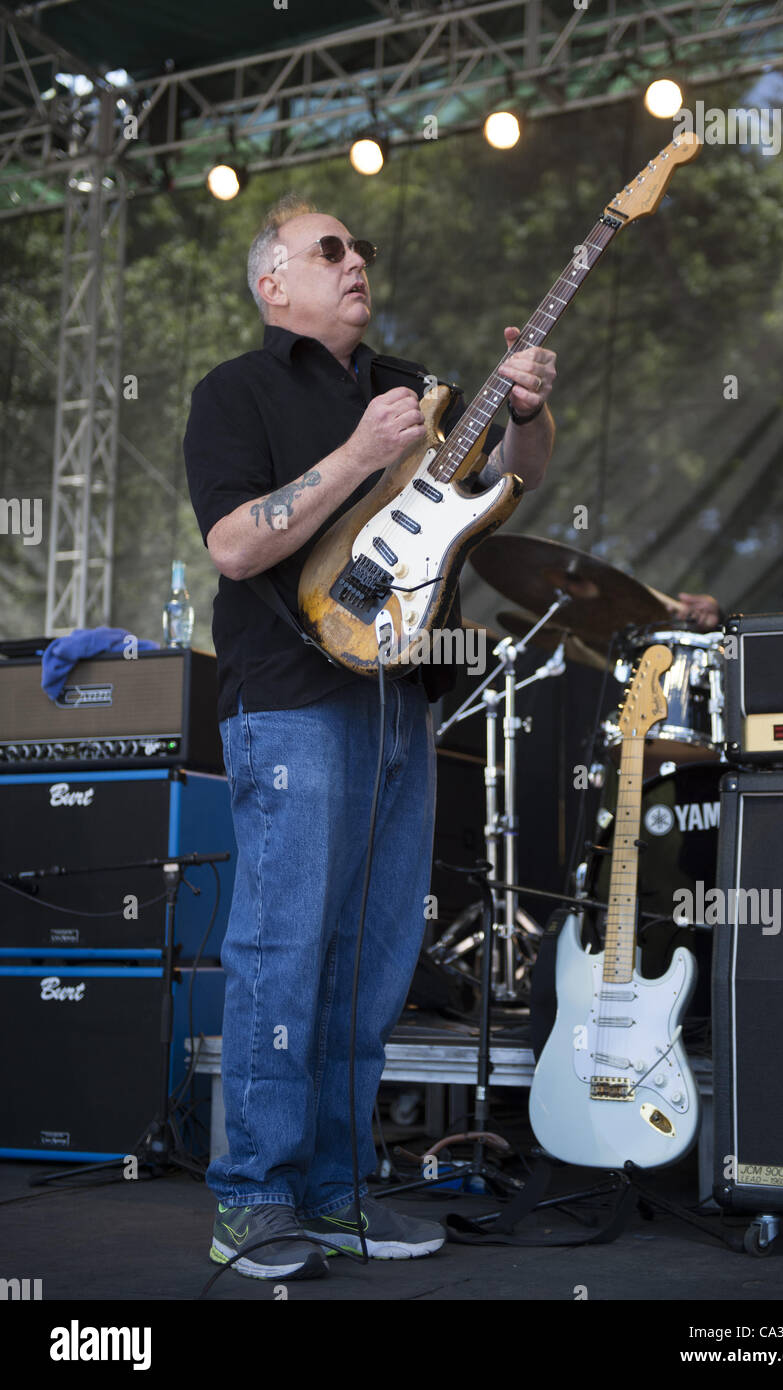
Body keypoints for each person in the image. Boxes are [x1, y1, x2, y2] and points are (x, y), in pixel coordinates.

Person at [183, 194, 557, 1280]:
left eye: (363, 249)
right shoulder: (236, 390)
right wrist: (354, 454)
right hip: (291, 698)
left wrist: (530, 407)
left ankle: (340, 1193)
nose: (357, 263)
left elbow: (506, 484)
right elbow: (233, 545)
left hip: (401, 705)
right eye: (330, 249)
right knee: (281, 951)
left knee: (372, 964)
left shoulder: (416, 385)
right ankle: (250, 1199)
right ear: (274, 284)